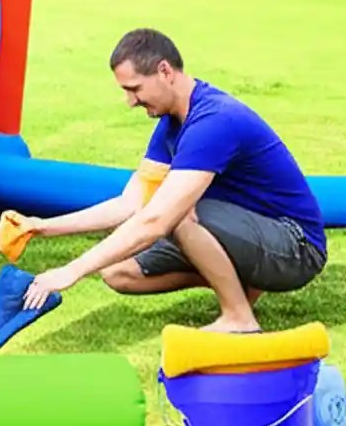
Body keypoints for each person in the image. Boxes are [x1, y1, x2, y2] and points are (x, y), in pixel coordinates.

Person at [19, 28, 327, 333]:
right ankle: (240, 282)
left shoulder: (214, 122)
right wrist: (43, 226)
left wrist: (71, 271)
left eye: (134, 88)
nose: (129, 101)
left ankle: (238, 318)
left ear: (164, 71)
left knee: (175, 212)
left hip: (296, 246)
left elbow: (157, 219)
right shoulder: (171, 123)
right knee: (116, 271)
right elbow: (131, 203)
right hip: (246, 235)